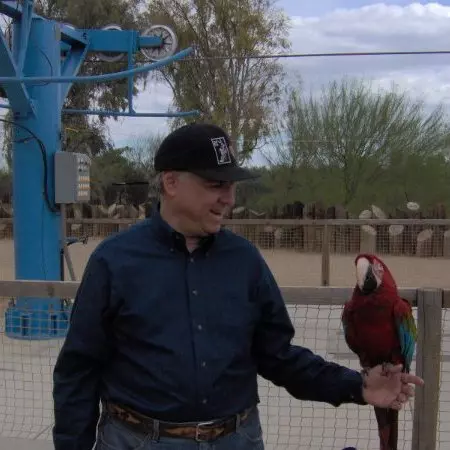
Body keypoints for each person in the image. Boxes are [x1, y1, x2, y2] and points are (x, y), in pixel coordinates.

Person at [52, 122, 424, 450]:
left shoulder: (245, 261)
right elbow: (78, 369)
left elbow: (277, 356)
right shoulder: (114, 261)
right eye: (215, 185)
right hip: (136, 441)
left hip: (237, 439)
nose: (228, 199)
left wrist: (358, 386)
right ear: (171, 182)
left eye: (231, 186)